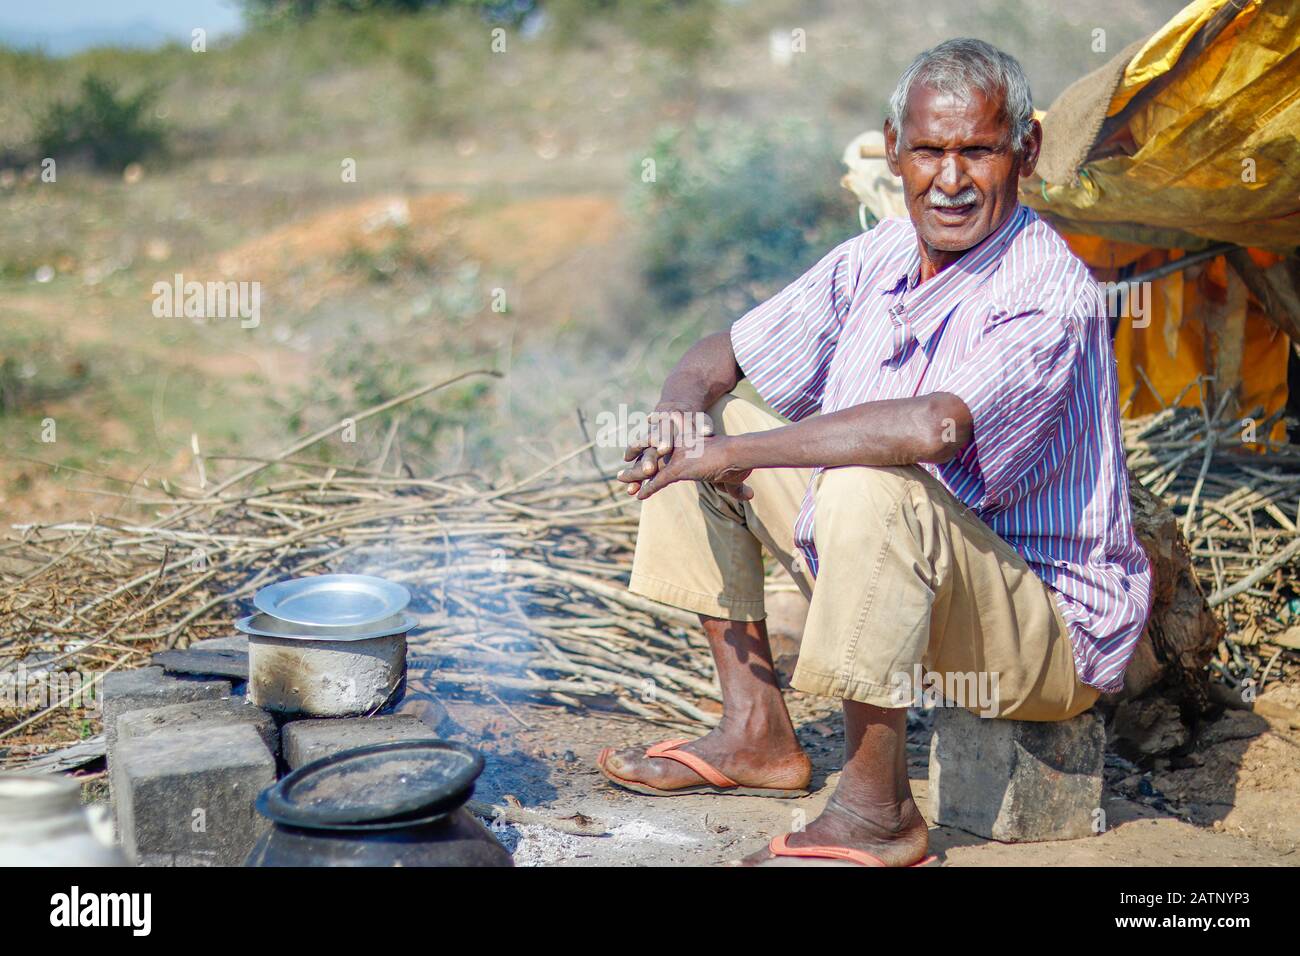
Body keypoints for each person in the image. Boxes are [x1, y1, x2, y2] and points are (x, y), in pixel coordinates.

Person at [597, 37, 1153, 867]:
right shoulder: (882, 253)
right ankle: (754, 731)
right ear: (894, 149)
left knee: (865, 481)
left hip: (1041, 633)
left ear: (1026, 151)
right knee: (700, 428)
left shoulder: (1049, 288)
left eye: (979, 151)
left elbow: (933, 428)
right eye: (928, 151)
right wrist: (682, 416)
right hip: (916, 574)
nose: (951, 179)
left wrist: (735, 453)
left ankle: (877, 811)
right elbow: (723, 352)